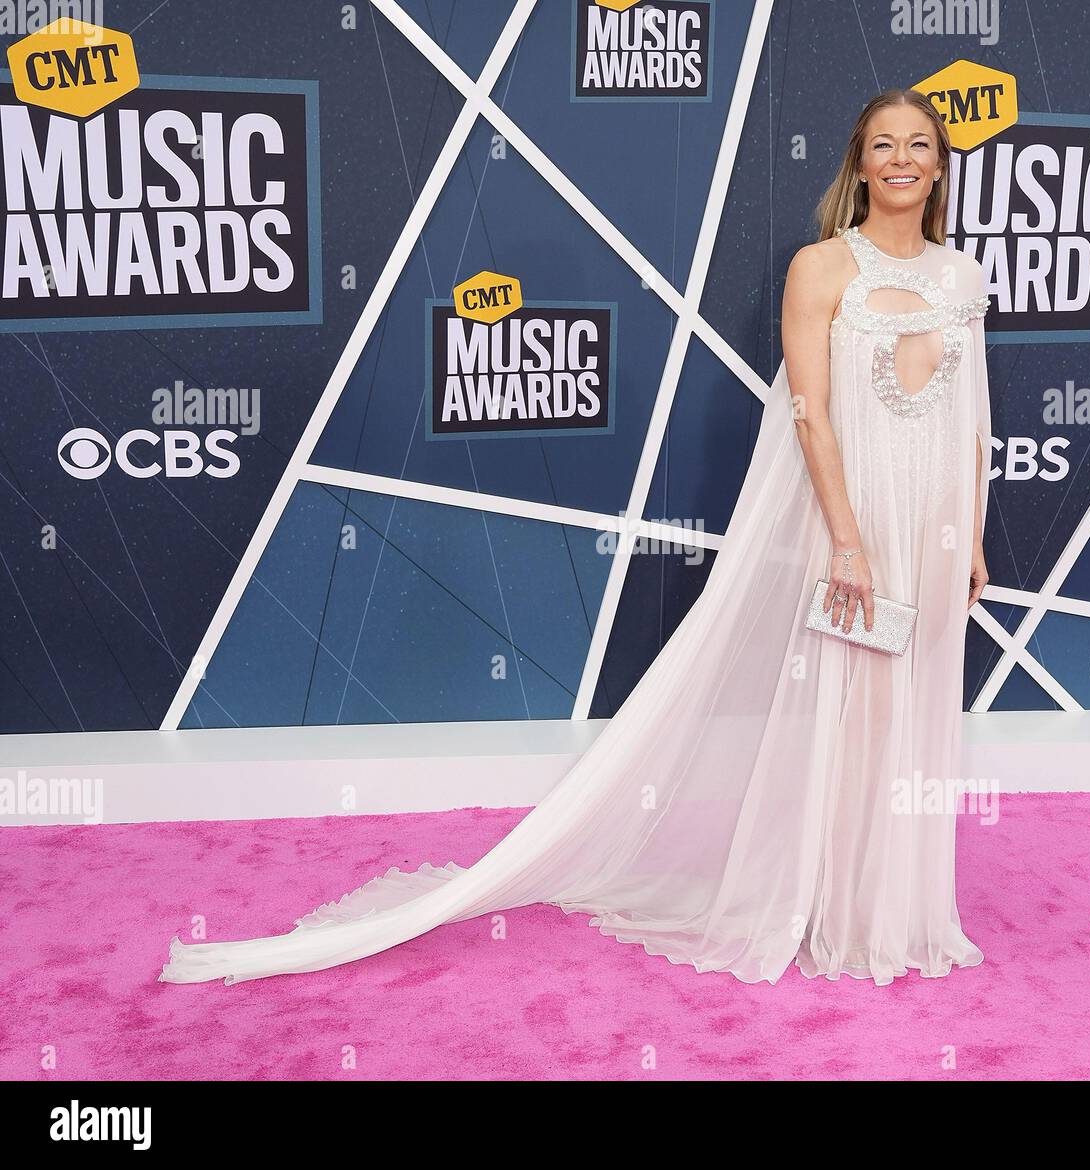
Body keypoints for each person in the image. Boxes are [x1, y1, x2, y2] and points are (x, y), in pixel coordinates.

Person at [160, 87, 992, 988]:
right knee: (853, 718)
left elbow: (973, 418)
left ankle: (903, 912)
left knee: (912, 725)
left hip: (936, 532)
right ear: (858, 162)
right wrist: (846, 541)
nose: (902, 159)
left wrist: (975, 538)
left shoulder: (962, 277)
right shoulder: (822, 268)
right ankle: (843, 916)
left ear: (941, 162)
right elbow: (811, 418)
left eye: (919, 144)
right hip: (856, 526)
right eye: (883, 144)